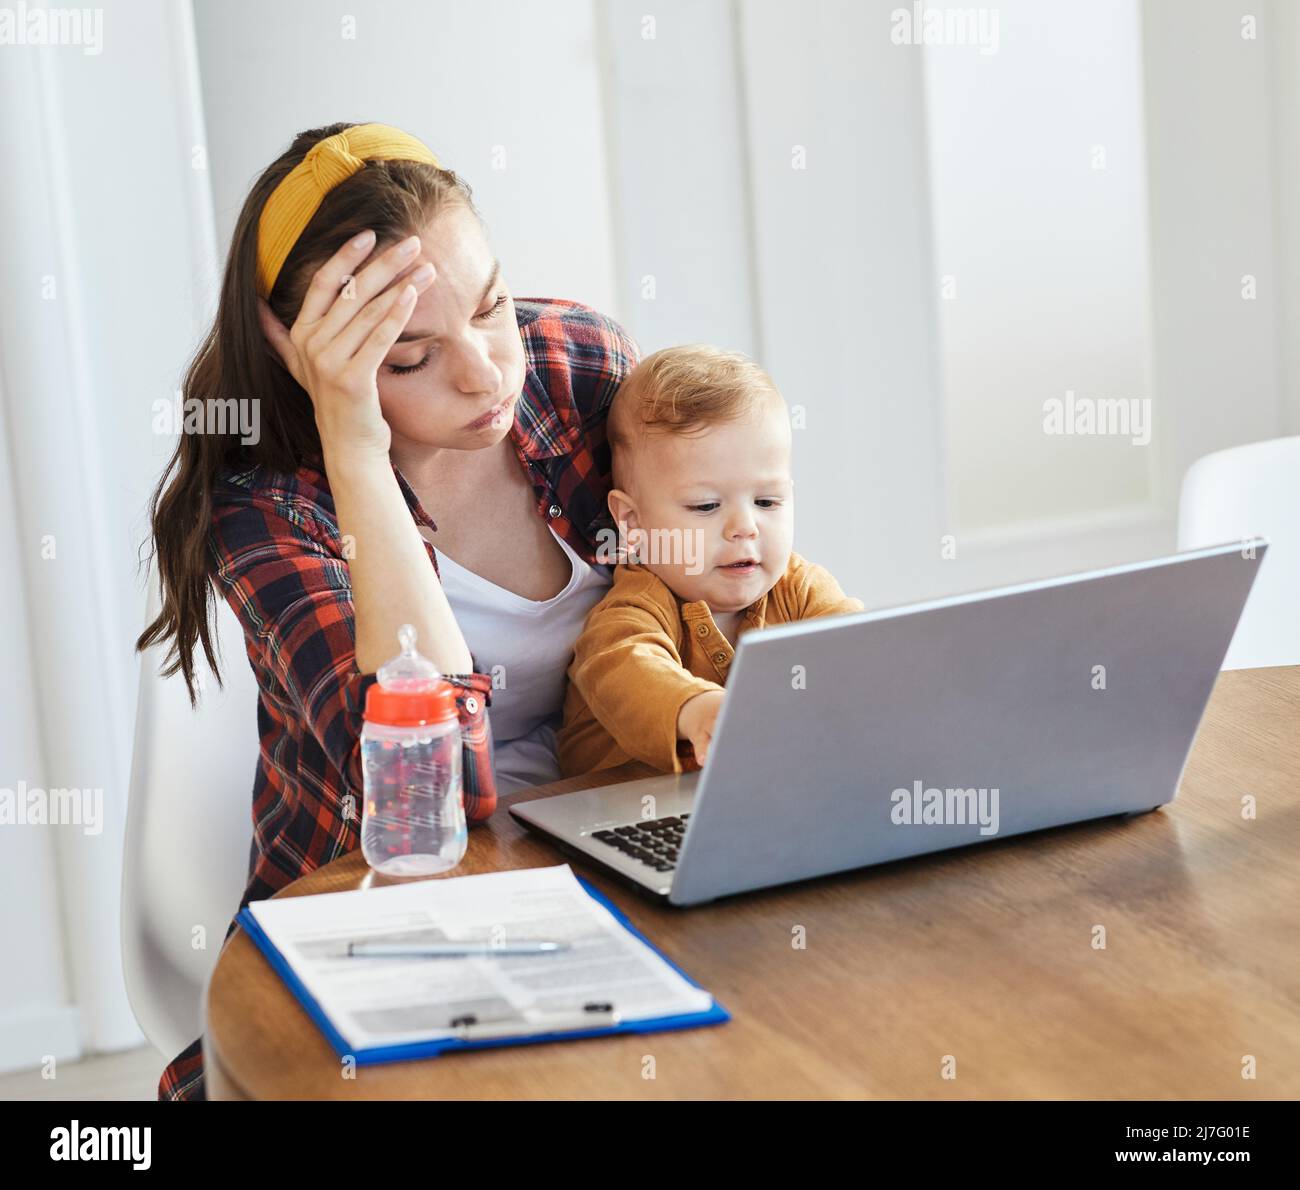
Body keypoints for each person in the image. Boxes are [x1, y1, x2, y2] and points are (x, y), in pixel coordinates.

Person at [137, 122, 637, 1100]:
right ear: (313, 362)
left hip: (604, 865)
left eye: (492, 308)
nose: (488, 372)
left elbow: (716, 597)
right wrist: (357, 455)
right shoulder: (268, 510)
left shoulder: (577, 365)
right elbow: (432, 805)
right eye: (409, 357)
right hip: (383, 922)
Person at [556, 345, 864, 777]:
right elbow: (627, 668)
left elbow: (861, 647)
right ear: (633, 521)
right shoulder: (633, 612)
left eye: (766, 500)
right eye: (705, 506)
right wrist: (698, 709)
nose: (744, 527)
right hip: (617, 813)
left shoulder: (799, 587)